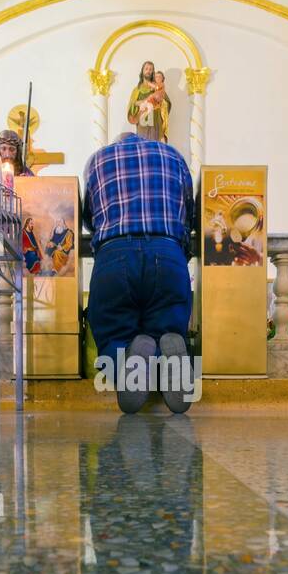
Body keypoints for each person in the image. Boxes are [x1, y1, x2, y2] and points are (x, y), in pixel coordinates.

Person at [83, 132, 195, 414]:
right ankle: (168, 349)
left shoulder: (97, 161)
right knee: (168, 322)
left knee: (112, 326)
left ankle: (127, 363)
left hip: (114, 254)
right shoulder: (174, 156)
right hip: (168, 252)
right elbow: (190, 213)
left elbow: (88, 217)